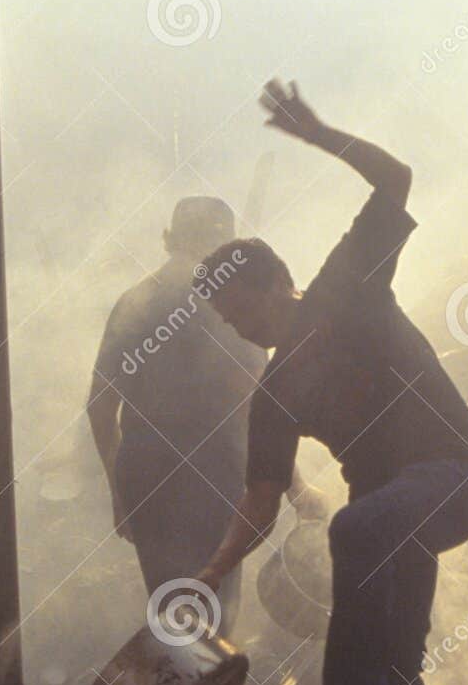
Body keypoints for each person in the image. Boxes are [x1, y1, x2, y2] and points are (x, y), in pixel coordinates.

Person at [191, 80, 468, 685]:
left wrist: (320, 134)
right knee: (400, 662)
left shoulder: (342, 288)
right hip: (390, 518)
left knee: (356, 526)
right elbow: (261, 500)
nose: (244, 332)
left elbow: (397, 178)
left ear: (279, 283)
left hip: (453, 477)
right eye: (230, 326)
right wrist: (213, 569)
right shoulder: (271, 396)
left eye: (246, 314)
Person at [88, 197, 324, 635]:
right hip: (215, 477)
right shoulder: (227, 301)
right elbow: (254, 399)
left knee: (174, 610)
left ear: (169, 239)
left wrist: (119, 490)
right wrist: (296, 486)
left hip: (146, 477)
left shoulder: (133, 302)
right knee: (213, 607)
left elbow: (100, 405)